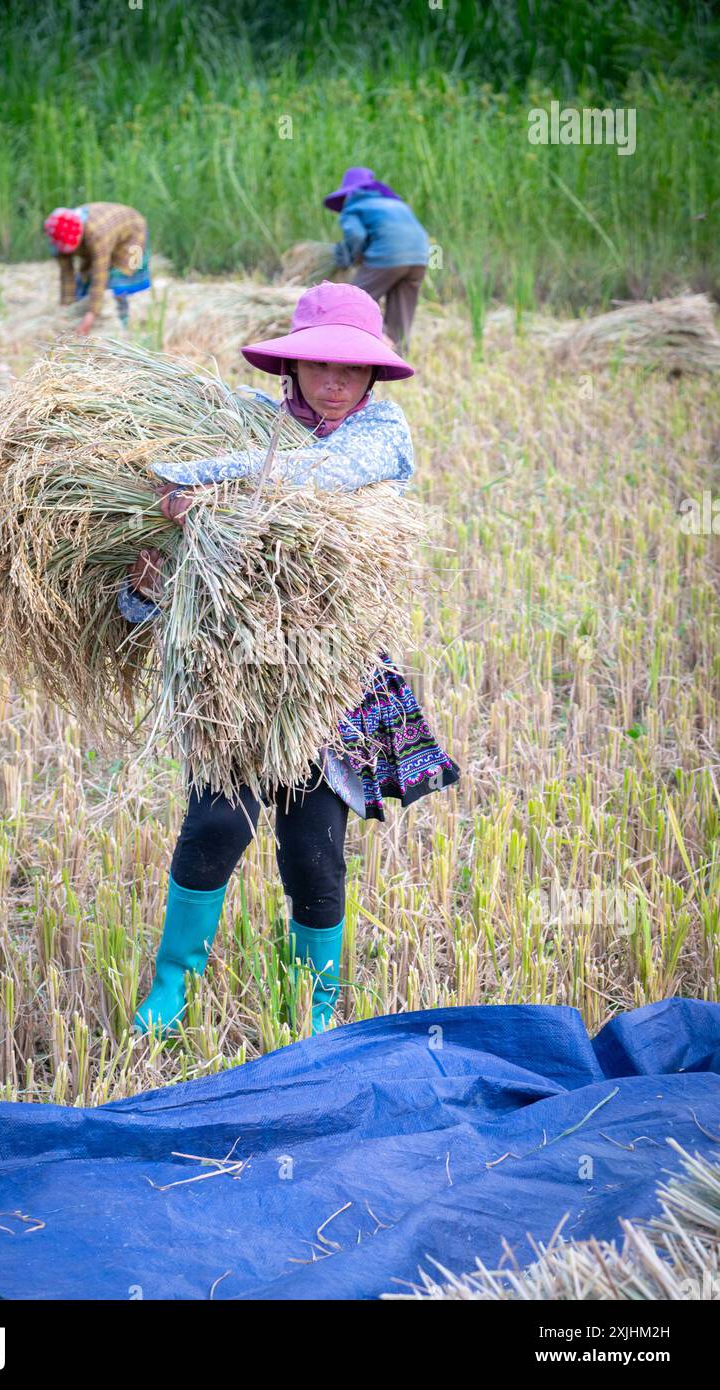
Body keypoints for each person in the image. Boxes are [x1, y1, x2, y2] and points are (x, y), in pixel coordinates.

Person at [119, 282, 460, 1037]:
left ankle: (315, 1004)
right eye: (317, 366)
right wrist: (144, 578)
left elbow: (316, 477)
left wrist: (200, 478)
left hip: (332, 684)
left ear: (374, 376)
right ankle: (170, 989)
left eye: (350, 369)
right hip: (238, 681)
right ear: (291, 368)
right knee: (214, 828)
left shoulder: (380, 436)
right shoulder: (253, 427)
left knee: (313, 852)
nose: (334, 384)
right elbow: (137, 608)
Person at [324, 166, 430, 353]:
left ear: (348, 194)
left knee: (351, 302)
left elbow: (356, 235)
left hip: (387, 256)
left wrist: (351, 255)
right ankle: (398, 356)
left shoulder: (353, 207)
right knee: (402, 313)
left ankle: (365, 348)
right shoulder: (397, 204)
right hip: (419, 258)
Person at [43, 202, 150, 334]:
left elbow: (100, 274)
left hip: (133, 232)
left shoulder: (97, 234)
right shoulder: (57, 235)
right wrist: (66, 311)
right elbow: (67, 275)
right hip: (107, 233)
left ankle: (121, 325)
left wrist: (91, 315)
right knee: (85, 279)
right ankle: (87, 315)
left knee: (119, 279)